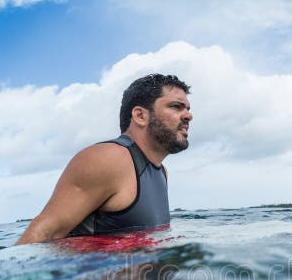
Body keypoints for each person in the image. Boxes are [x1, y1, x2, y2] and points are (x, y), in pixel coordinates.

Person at [16, 74, 192, 245]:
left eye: (187, 109)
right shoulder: (107, 158)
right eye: (176, 107)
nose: (188, 116)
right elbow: (42, 234)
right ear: (140, 116)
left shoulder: (161, 172)